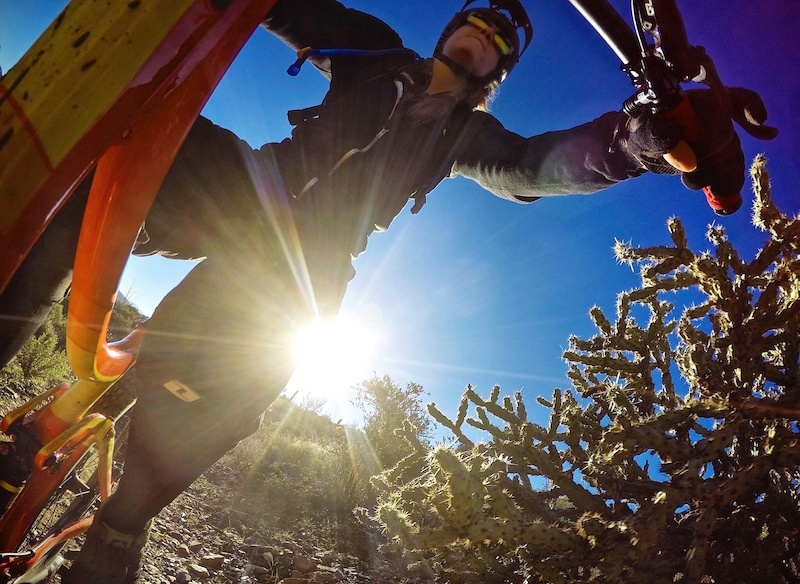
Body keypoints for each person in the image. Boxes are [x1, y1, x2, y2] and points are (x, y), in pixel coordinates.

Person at [0, 0, 773, 582]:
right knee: (105, 162)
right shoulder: (373, 52)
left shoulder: (465, 138)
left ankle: (117, 534)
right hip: (251, 188)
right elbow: (290, 9)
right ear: (450, 29)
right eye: (480, 15)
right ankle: (29, 411)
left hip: (307, 266)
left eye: (504, 37)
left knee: (223, 382)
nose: (489, 28)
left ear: (496, 75)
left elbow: (539, 164)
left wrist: (639, 140)